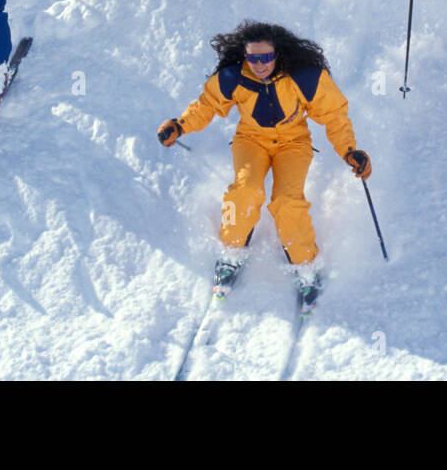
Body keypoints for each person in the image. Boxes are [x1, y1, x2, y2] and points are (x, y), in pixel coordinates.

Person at [156, 21, 371, 308]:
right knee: (244, 191)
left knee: (286, 201)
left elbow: (334, 116)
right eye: (253, 58)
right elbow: (206, 105)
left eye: (266, 57)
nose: (260, 64)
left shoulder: (303, 77)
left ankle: (306, 267)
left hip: (293, 143)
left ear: (277, 54)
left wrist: (349, 151)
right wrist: (179, 126)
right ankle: (231, 254)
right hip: (251, 140)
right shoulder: (234, 78)